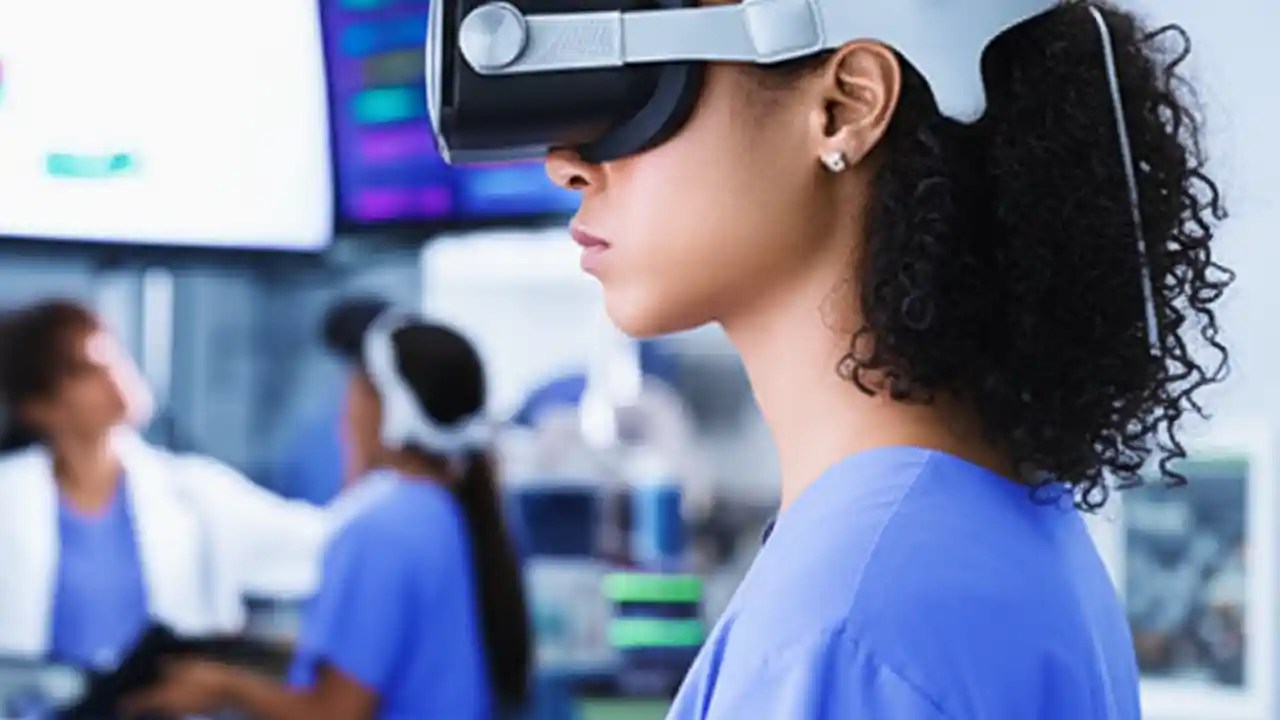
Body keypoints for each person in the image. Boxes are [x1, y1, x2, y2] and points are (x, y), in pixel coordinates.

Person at [536, 2, 1233, 718]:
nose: (568, 164)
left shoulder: (844, 627)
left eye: (640, 87)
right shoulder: (998, 528)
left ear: (843, 107)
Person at [124, 307, 532, 720]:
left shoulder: (378, 531)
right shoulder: (445, 512)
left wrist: (225, 687)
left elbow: (337, 713)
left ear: (383, 407)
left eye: (352, 391)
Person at [0, 299, 328, 669]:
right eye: (88, 370)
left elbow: (325, 550)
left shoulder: (195, 492)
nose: (115, 376)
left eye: (114, 356)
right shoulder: (10, 499)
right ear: (39, 406)